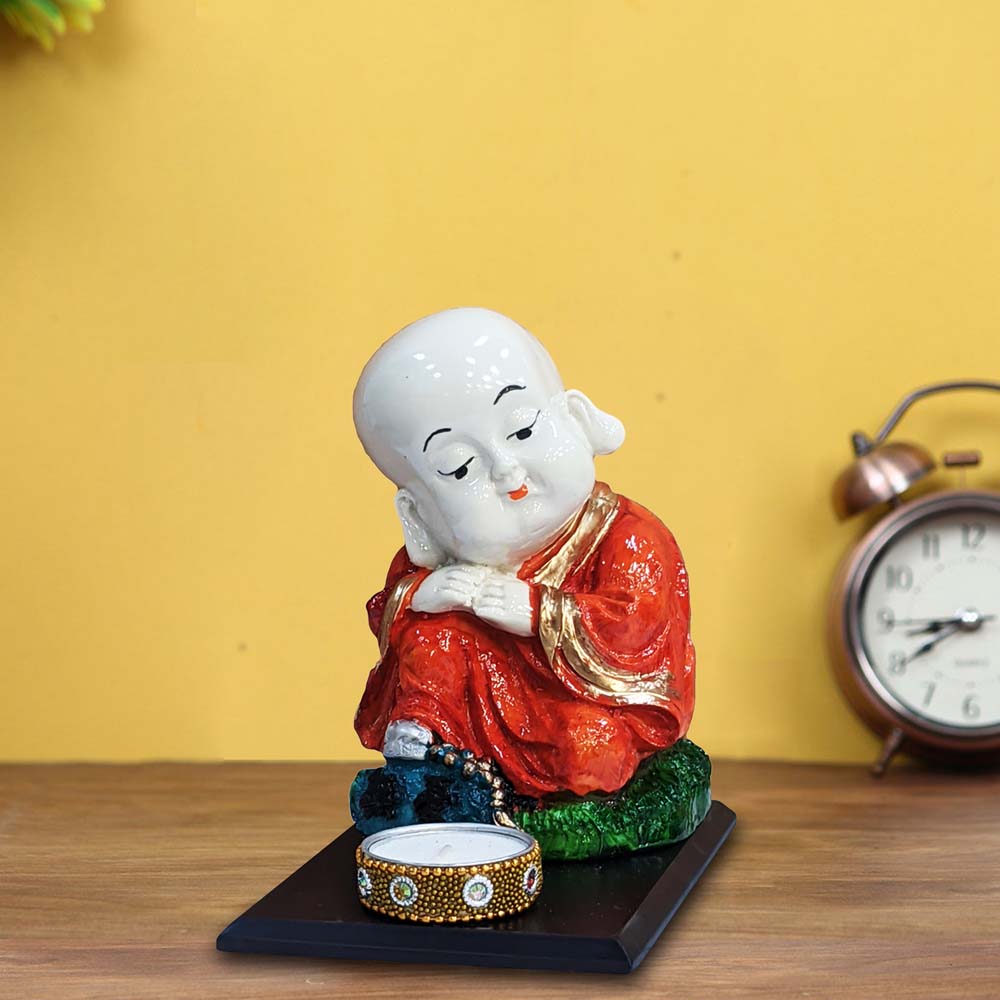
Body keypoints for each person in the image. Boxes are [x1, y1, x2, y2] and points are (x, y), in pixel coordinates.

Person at [352, 308, 695, 799]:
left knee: (589, 747)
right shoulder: (446, 560)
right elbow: (394, 606)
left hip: (577, 701)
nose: (507, 472)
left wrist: (539, 612)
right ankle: (424, 734)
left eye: (523, 431)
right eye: (460, 467)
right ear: (420, 513)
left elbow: (638, 622)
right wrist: (421, 595)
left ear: (575, 418)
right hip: (477, 698)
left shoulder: (627, 535)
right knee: (436, 636)